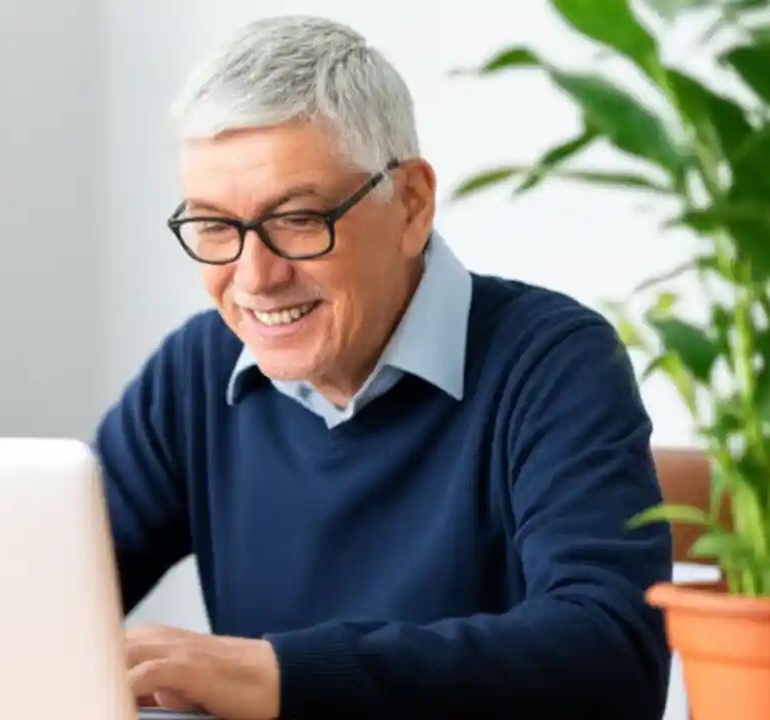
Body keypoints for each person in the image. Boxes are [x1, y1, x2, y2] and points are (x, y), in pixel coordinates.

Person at [96, 14, 673, 720]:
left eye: (298, 219)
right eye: (215, 226)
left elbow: (611, 656)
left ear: (410, 205)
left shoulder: (552, 362)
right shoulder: (197, 371)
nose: (255, 277)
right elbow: (36, 594)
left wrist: (281, 675)